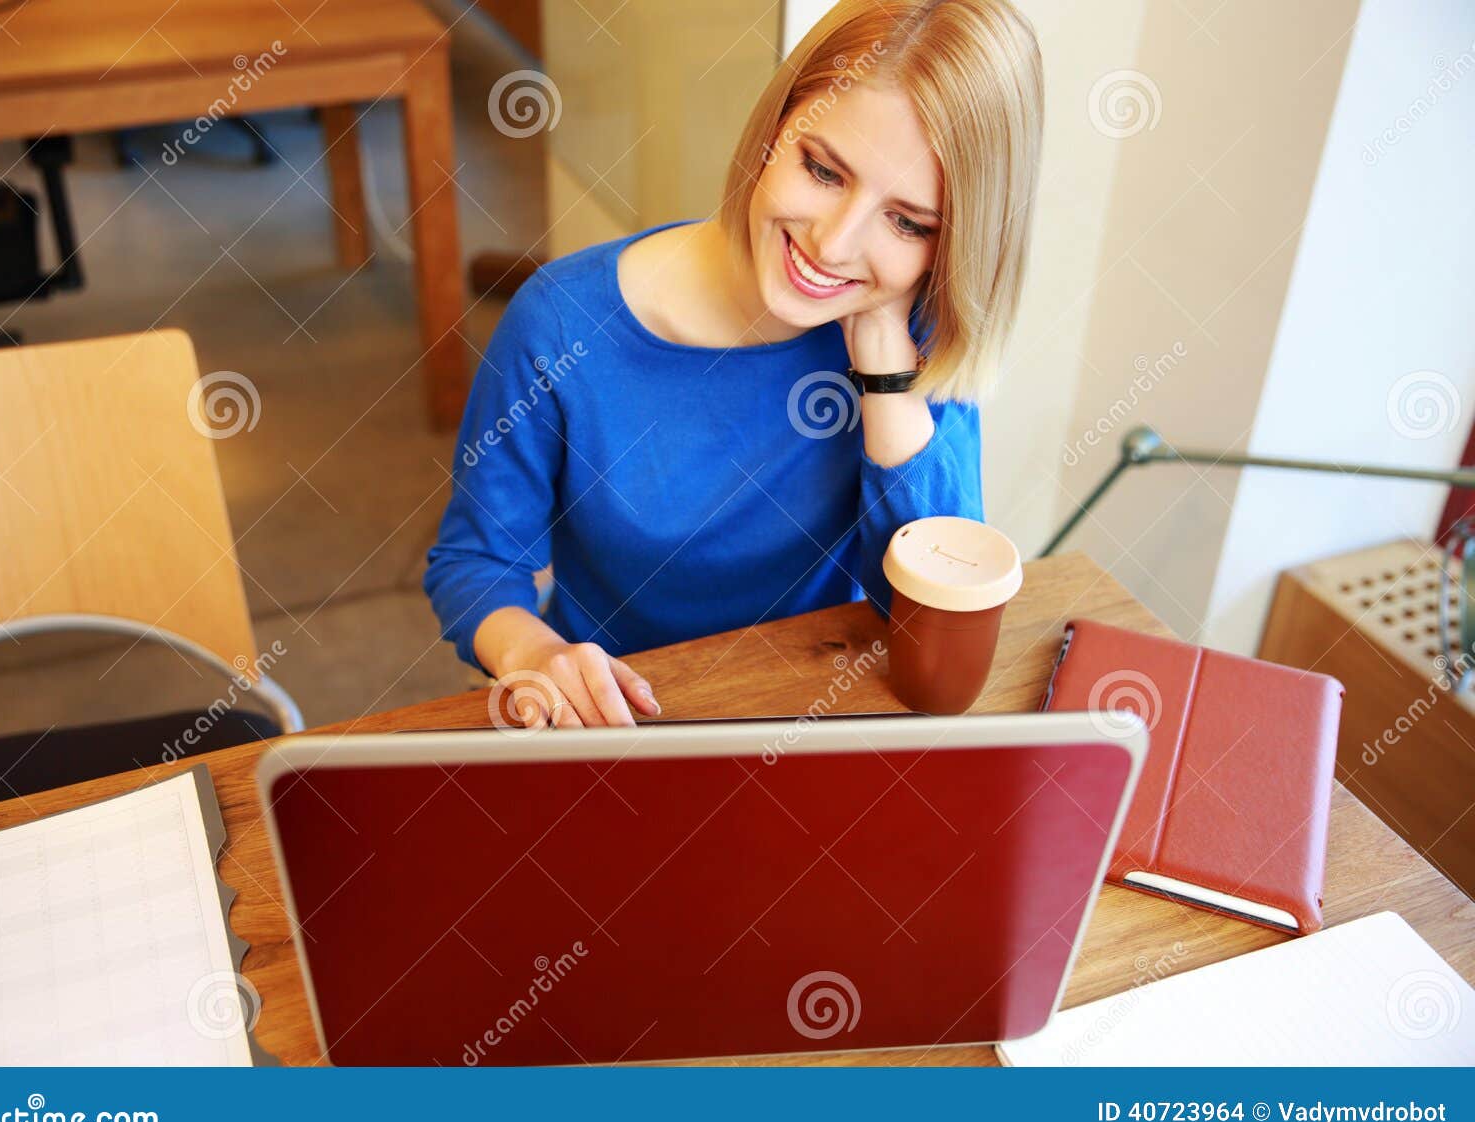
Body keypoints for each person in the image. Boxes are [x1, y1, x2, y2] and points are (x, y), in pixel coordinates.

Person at [424, 0, 1043, 728]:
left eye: (907, 221)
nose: (834, 243)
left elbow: (928, 627)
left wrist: (885, 375)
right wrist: (534, 652)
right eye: (822, 169)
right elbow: (473, 562)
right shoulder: (563, 321)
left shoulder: (915, 342)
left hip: (820, 720)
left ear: (953, 244)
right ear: (774, 129)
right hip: (618, 724)